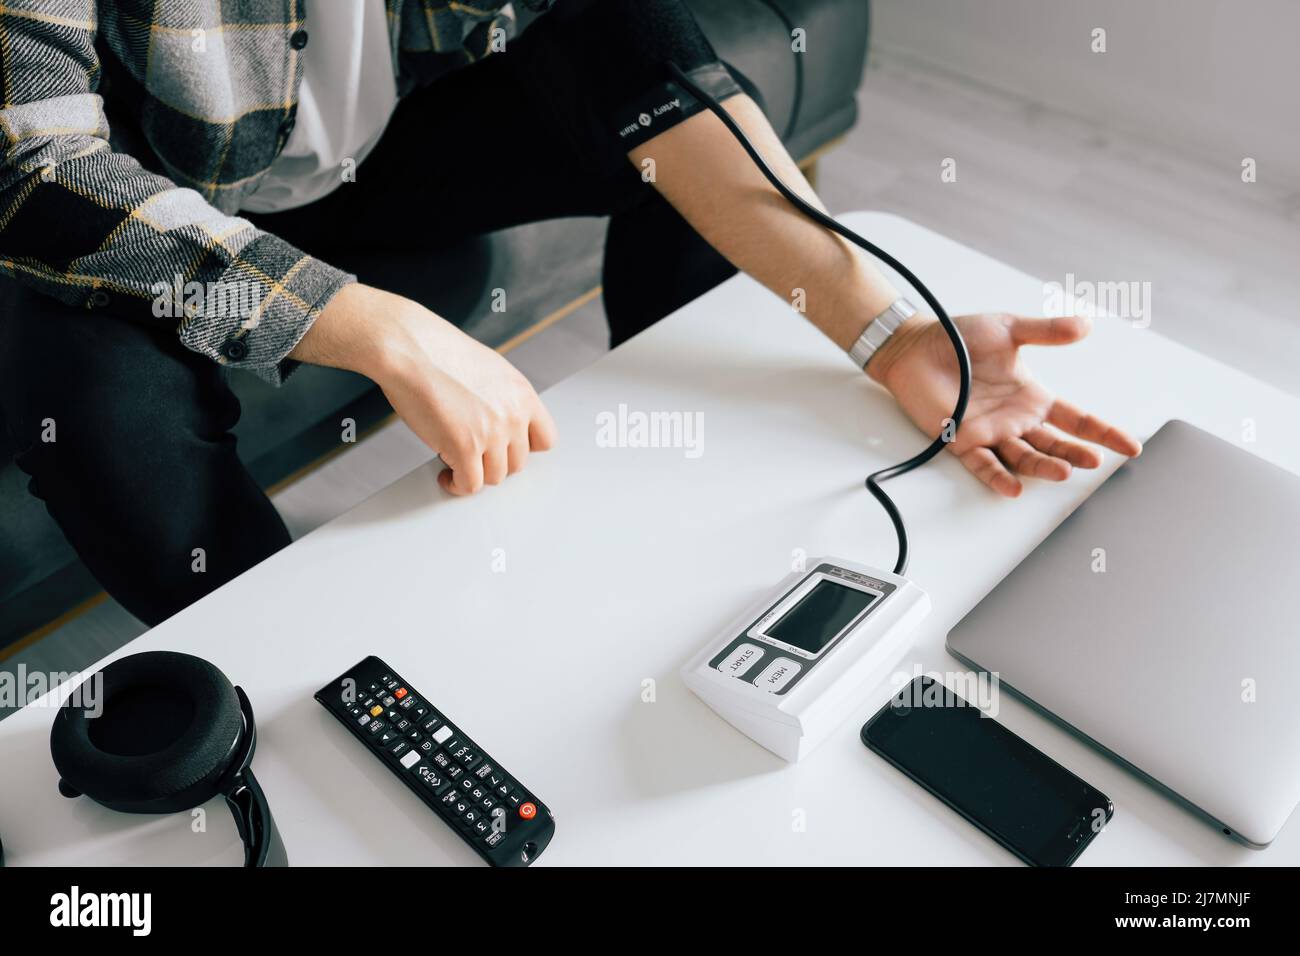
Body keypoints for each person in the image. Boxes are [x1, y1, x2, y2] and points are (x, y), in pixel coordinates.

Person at [0, 0, 1139, 627]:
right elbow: (37, 168)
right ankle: (285, 672)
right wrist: (371, 325)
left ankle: (669, 517)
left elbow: (615, 40)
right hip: (145, 201)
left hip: (366, 168)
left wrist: (888, 329)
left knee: (632, 39)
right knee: (92, 396)